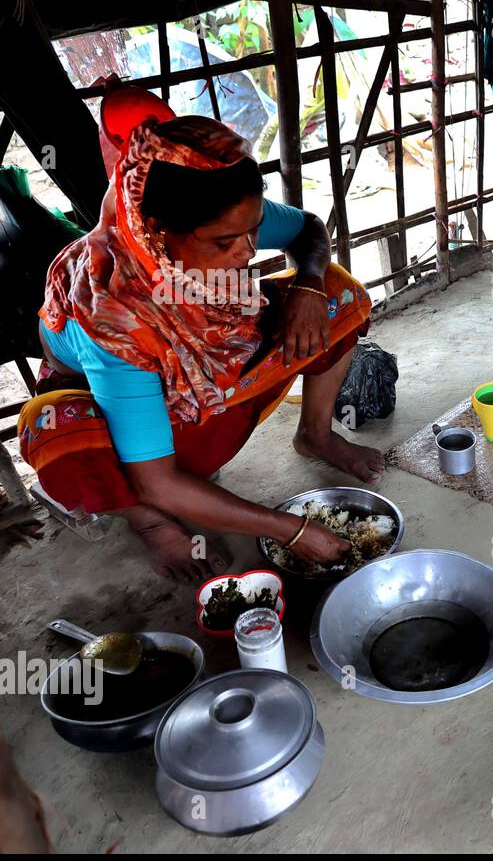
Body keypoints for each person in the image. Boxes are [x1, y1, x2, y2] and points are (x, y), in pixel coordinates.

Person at [19, 98, 385, 581]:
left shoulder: (222, 204)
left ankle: (314, 436)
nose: (248, 252)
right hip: (107, 401)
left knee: (338, 295)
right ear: (156, 231)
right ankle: (149, 523)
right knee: (60, 439)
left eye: (253, 232)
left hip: (209, 364)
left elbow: (309, 229)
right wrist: (292, 531)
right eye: (223, 244)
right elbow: (160, 480)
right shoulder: (114, 317)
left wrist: (308, 284)